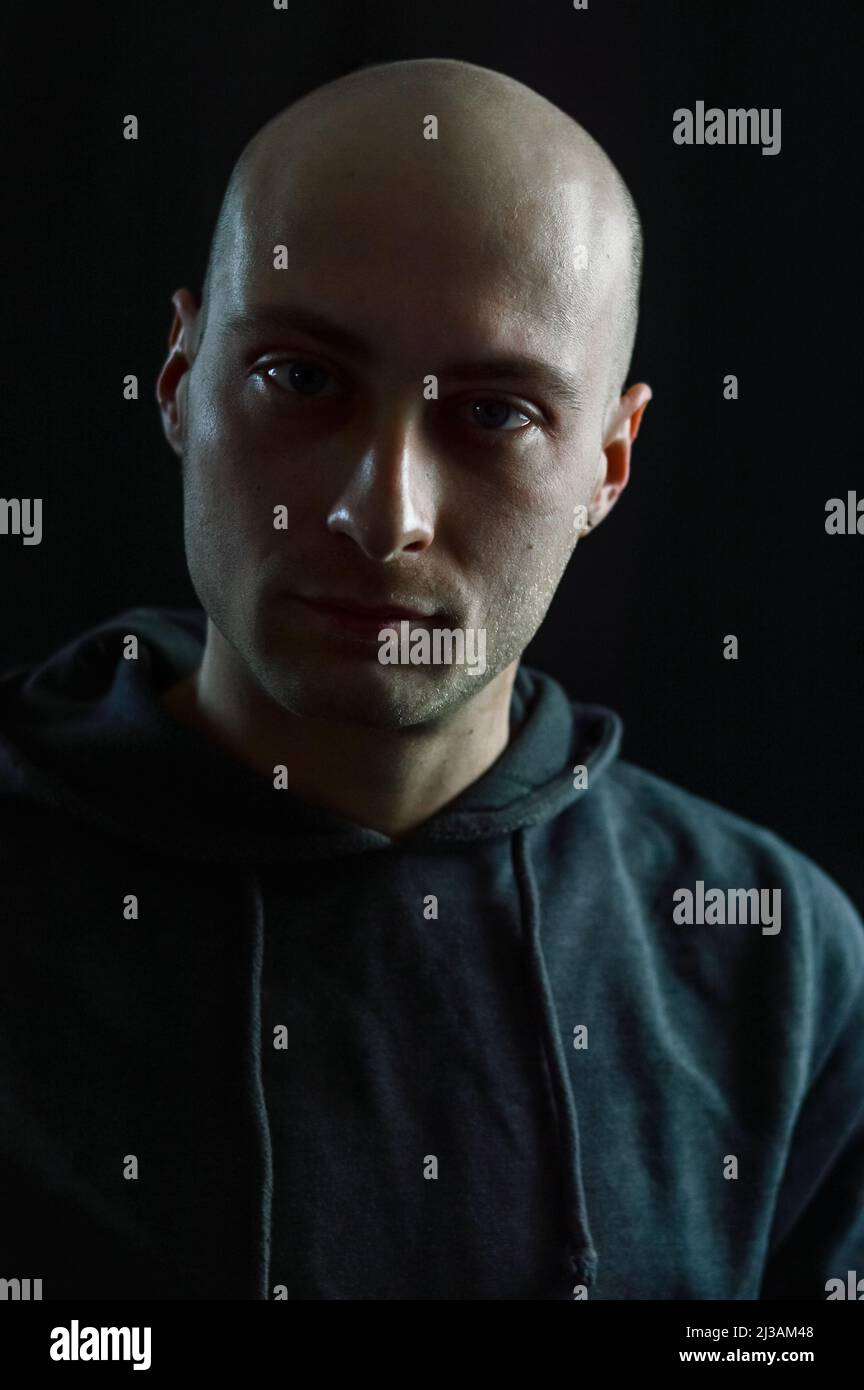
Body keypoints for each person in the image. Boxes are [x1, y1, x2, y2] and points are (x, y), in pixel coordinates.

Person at [0, 57, 861, 1302]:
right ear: (182, 377)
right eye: (300, 379)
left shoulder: (776, 971)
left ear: (609, 464)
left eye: (496, 414)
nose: (380, 512)